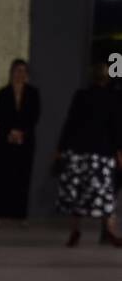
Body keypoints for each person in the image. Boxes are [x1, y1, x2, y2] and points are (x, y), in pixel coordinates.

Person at [55, 61, 122, 247]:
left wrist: (60, 149)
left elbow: (70, 123)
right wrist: (118, 152)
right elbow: (115, 127)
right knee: (105, 193)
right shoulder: (112, 97)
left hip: (79, 151)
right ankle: (108, 231)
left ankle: (75, 232)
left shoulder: (81, 96)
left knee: (78, 192)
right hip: (101, 152)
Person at [0, 59, 40, 225]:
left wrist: (22, 133)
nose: (20, 74)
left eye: (23, 71)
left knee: (22, 178)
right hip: (5, 140)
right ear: (12, 72)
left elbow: (34, 116)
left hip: (25, 141)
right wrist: (10, 132)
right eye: (17, 70)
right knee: (3, 177)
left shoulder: (33, 93)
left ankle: (20, 215)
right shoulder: (3, 92)